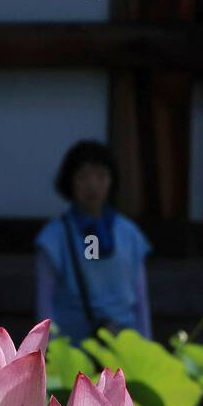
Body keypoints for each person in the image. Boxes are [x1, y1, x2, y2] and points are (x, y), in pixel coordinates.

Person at [35, 140, 153, 341]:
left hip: (125, 348)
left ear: (111, 180)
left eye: (101, 176)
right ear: (69, 181)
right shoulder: (53, 237)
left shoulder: (130, 234)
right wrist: (47, 351)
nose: (93, 185)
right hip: (72, 350)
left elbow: (141, 302)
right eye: (83, 176)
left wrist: (146, 346)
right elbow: (45, 303)